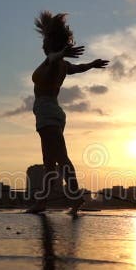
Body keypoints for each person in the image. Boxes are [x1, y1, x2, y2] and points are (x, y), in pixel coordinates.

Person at [27, 11, 109, 214]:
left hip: (47, 114)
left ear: (50, 46)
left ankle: (76, 197)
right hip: (51, 114)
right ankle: (43, 202)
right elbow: (78, 68)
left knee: (61, 159)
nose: (42, 46)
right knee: (49, 163)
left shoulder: (54, 62)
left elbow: (54, 58)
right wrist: (92, 65)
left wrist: (61, 54)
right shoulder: (62, 65)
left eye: (45, 43)